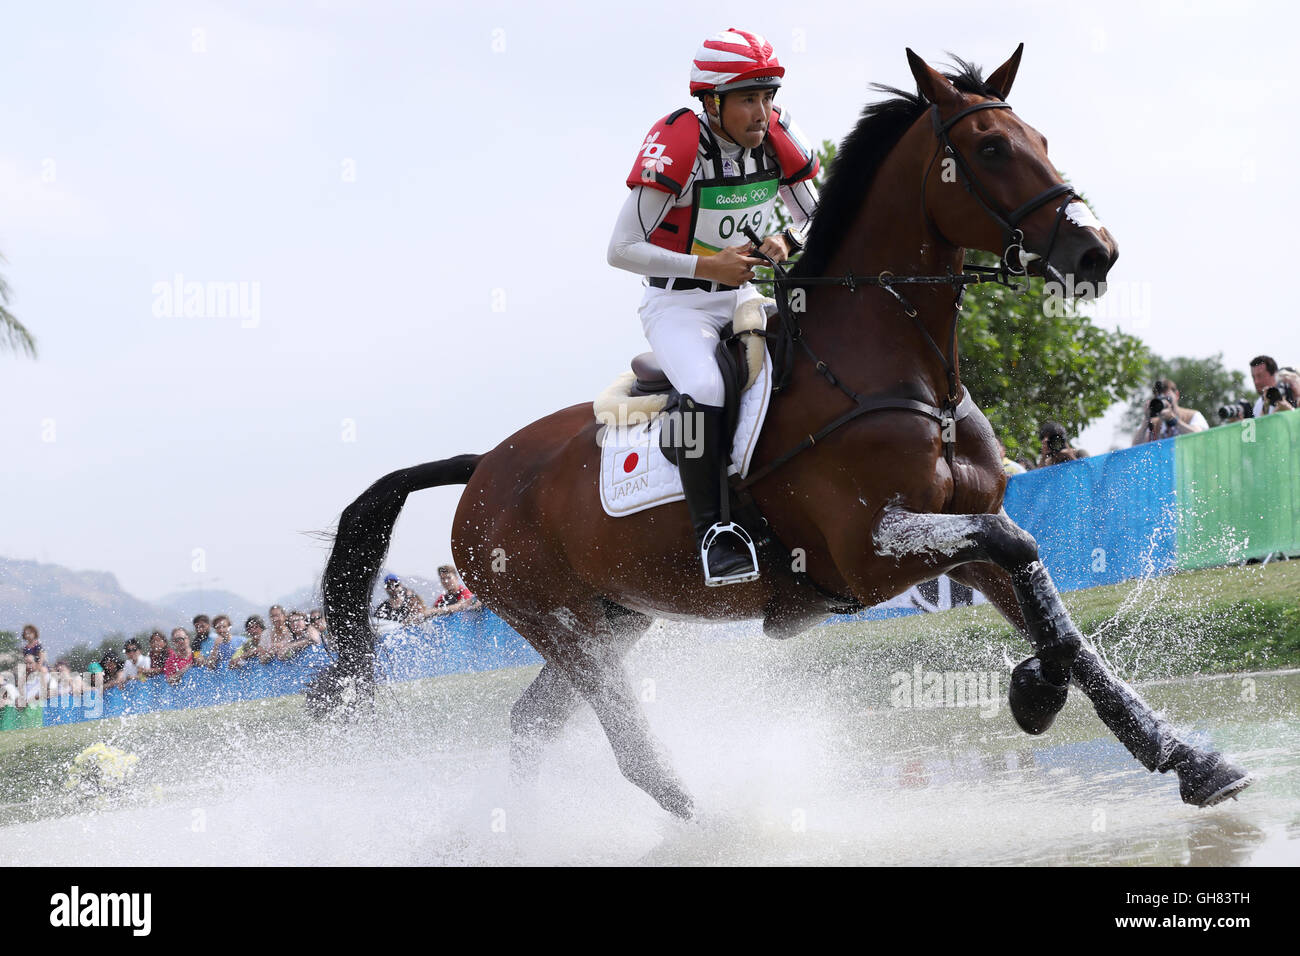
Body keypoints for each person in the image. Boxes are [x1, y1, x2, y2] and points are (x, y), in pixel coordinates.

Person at [607, 27, 820, 587]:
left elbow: (815, 216)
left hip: (744, 295)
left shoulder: (779, 133)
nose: (762, 112)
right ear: (712, 101)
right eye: (749, 98)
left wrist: (785, 243)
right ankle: (715, 533)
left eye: (768, 95)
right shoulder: (680, 143)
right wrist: (708, 267)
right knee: (705, 388)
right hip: (677, 307)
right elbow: (620, 250)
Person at [1132, 378, 1209, 445]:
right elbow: (1135, 447)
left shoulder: (1193, 415)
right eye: (1160, 399)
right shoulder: (1153, 423)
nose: (1165, 402)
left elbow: (1200, 436)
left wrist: (1174, 420)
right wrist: (1146, 419)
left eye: (1167, 398)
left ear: (1177, 395)